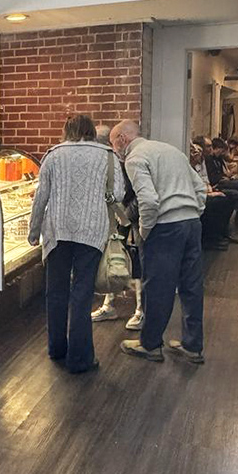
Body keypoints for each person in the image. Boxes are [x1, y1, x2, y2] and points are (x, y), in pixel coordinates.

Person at [28, 114, 124, 374]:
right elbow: (118, 194)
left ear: (66, 130)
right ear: (92, 131)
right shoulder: (108, 156)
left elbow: (41, 197)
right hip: (92, 232)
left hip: (57, 231)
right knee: (82, 295)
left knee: (55, 292)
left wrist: (33, 230)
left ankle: (56, 349)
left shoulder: (53, 155)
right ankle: (80, 359)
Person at [110, 120, 206, 364]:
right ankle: (192, 345)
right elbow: (199, 188)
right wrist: (194, 212)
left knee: (158, 288)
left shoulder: (134, 158)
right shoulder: (172, 151)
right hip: (191, 224)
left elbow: (149, 201)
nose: (115, 151)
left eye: (113, 144)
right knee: (191, 286)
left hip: (165, 228)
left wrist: (144, 230)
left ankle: (151, 344)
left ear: (122, 139)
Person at [91, 123, 144, 330]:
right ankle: (109, 304)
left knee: (136, 259)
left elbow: (136, 194)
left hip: (131, 216)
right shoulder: (110, 161)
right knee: (113, 259)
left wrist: (125, 216)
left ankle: (141, 309)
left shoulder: (124, 162)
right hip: (118, 216)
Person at [190, 141, 238, 250]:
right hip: (198, 195)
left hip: (207, 190)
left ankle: (222, 232)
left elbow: (205, 179)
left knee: (230, 196)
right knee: (220, 201)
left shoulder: (204, 162)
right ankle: (211, 237)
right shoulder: (191, 166)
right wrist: (209, 192)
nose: (198, 155)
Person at [206, 137, 238, 221]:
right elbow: (213, 177)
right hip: (220, 182)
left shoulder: (218, 158)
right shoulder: (209, 159)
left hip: (224, 179)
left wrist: (228, 175)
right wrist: (225, 176)